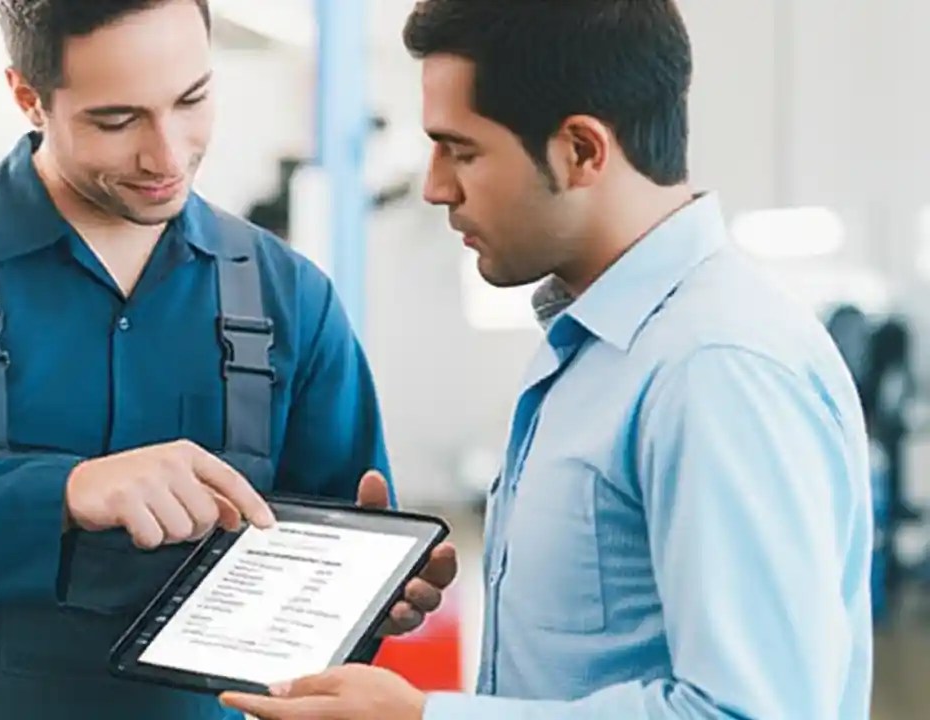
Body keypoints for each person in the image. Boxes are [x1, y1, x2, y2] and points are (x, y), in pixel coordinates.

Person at [0, 1, 456, 719]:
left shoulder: (291, 298)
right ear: (28, 97)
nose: (166, 155)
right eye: (117, 120)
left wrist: (372, 597)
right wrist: (64, 494)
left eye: (192, 100)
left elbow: (332, 604)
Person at [220, 1, 873, 719]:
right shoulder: (597, 345)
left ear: (582, 151)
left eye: (461, 151)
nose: (437, 187)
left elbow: (750, 713)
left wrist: (421, 719)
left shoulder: (714, 368)